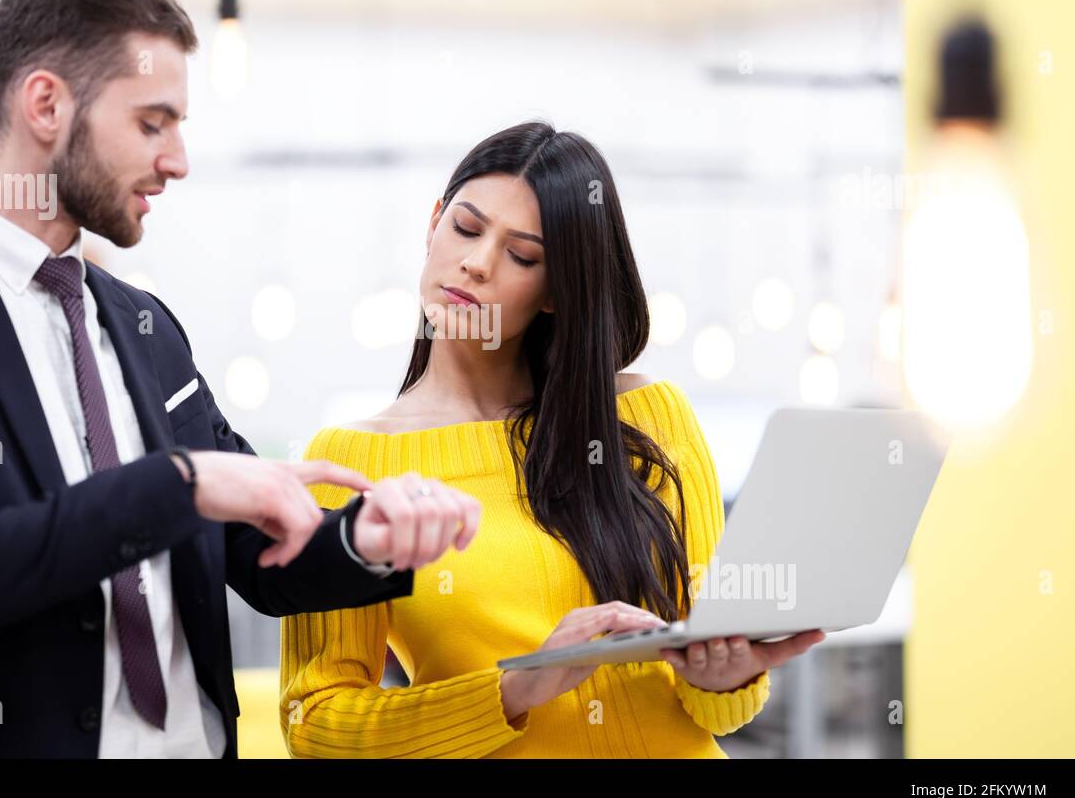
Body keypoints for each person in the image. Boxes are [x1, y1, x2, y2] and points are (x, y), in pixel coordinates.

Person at [0, 0, 481, 759]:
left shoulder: (143, 323)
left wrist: (368, 538)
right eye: (152, 122)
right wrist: (176, 484)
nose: (178, 160)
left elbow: (254, 558)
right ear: (46, 103)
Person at [280, 122, 824, 758]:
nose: (477, 263)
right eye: (465, 227)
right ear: (433, 224)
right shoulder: (351, 463)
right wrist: (514, 689)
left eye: (522, 256)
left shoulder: (649, 419)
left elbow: (720, 708)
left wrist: (725, 678)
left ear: (555, 294)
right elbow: (316, 724)